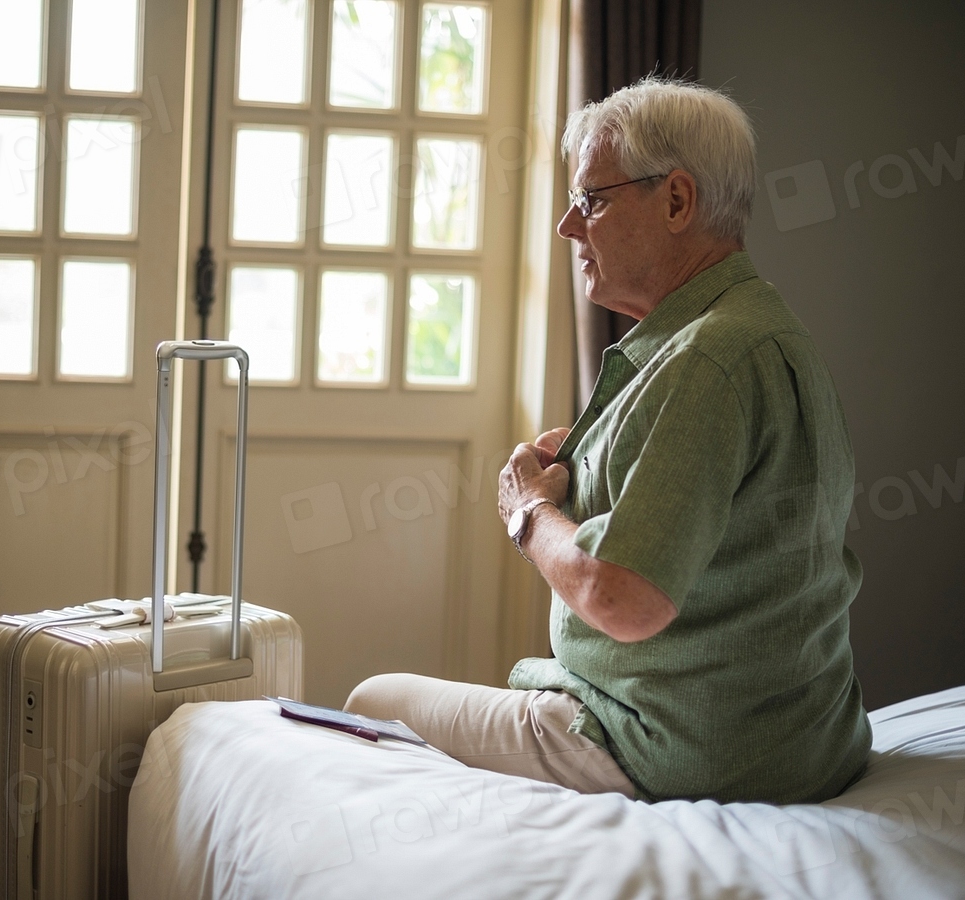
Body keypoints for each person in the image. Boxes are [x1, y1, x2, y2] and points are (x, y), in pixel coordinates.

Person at [344, 75, 872, 804]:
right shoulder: (758, 330)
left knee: (373, 700)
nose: (568, 225)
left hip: (682, 748)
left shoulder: (706, 362)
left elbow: (626, 600)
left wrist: (528, 513)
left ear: (677, 201)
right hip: (803, 739)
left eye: (591, 199)